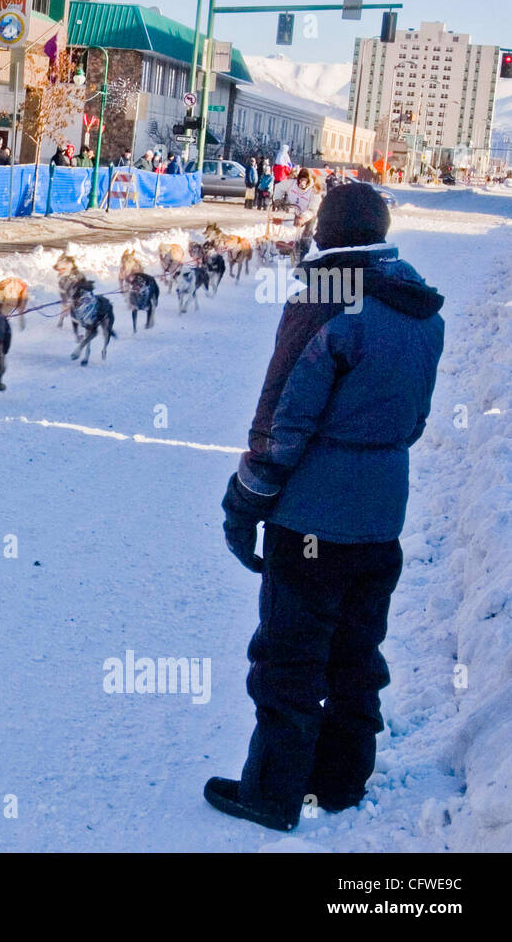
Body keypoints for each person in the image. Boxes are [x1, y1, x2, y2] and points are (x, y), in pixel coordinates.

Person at [208, 182, 444, 833]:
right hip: (381, 523)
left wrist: (243, 505)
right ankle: (339, 781)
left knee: (288, 660)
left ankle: (272, 793)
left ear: (327, 234)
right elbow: (414, 421)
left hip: (311, 525)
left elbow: (280, 425)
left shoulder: (326, 302)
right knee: (356, 657)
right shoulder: (421, 310)